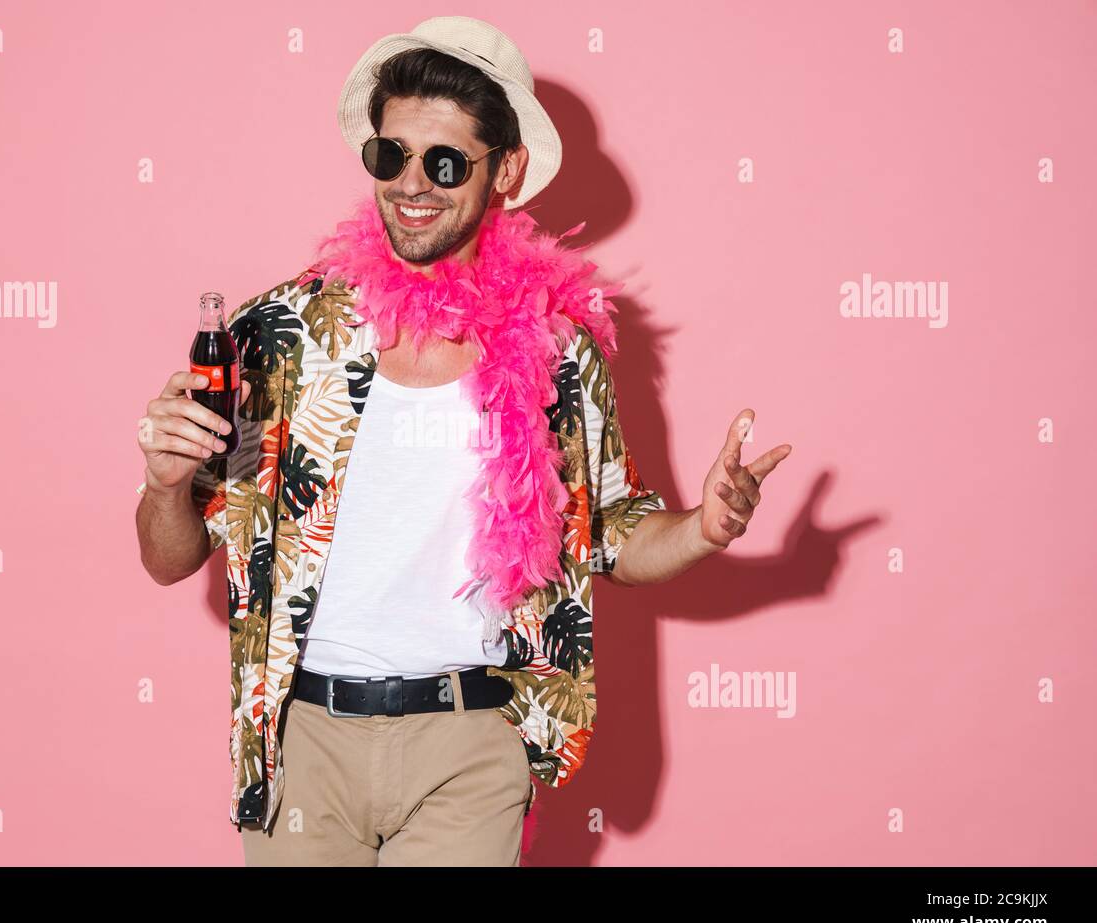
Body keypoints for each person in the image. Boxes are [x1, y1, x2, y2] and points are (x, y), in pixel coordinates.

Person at [135, 16, 791, 867]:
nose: (413, 185)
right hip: (304, 744)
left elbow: (616, 535)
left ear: (505, 171)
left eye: (445, 163)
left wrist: (706, 526)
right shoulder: (281, 335)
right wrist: (161, 484)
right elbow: (169, 557)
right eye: (390, 156)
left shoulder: (560, 354)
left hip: (470, 744)